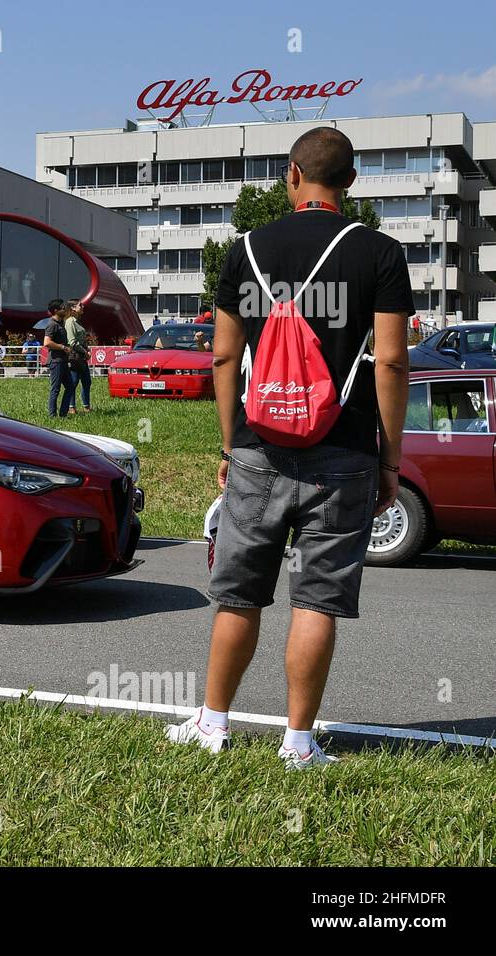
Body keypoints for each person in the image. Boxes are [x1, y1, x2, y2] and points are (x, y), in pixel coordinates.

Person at [165, 126, 413, 770]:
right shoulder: (380, 253)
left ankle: (212, 723)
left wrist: (229, 442)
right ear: (350, 183)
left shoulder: (245, 250)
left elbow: (222, 354)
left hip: (256, 445)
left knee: (240, 590)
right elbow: (388, 361)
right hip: (345, 449)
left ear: (291, 176)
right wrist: (389, 458)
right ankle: (298, 743)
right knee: (317, 597)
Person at [42, 299, 72, 416]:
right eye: (62, 308)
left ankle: (63, 414)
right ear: (56, 310)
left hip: (63, 361)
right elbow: (47, 342)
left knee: (70, 387)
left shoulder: (60, 324)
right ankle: (52, 415)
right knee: (55, 389)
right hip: (56, 361)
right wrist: (63, 347)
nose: (65, 309)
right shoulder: (52, 325)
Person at [63, 301, 91, 413]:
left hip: (81, 357)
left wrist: (86, 349)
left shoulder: (77, 322)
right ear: (73, 308)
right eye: (80, 305)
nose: (83, 307)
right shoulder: (70, 322)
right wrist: (85, 351)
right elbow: (72, 341)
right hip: (74, 357)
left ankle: (86, 406)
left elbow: (81, 340)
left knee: (86, 381)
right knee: (73, 382)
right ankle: (71, 407)